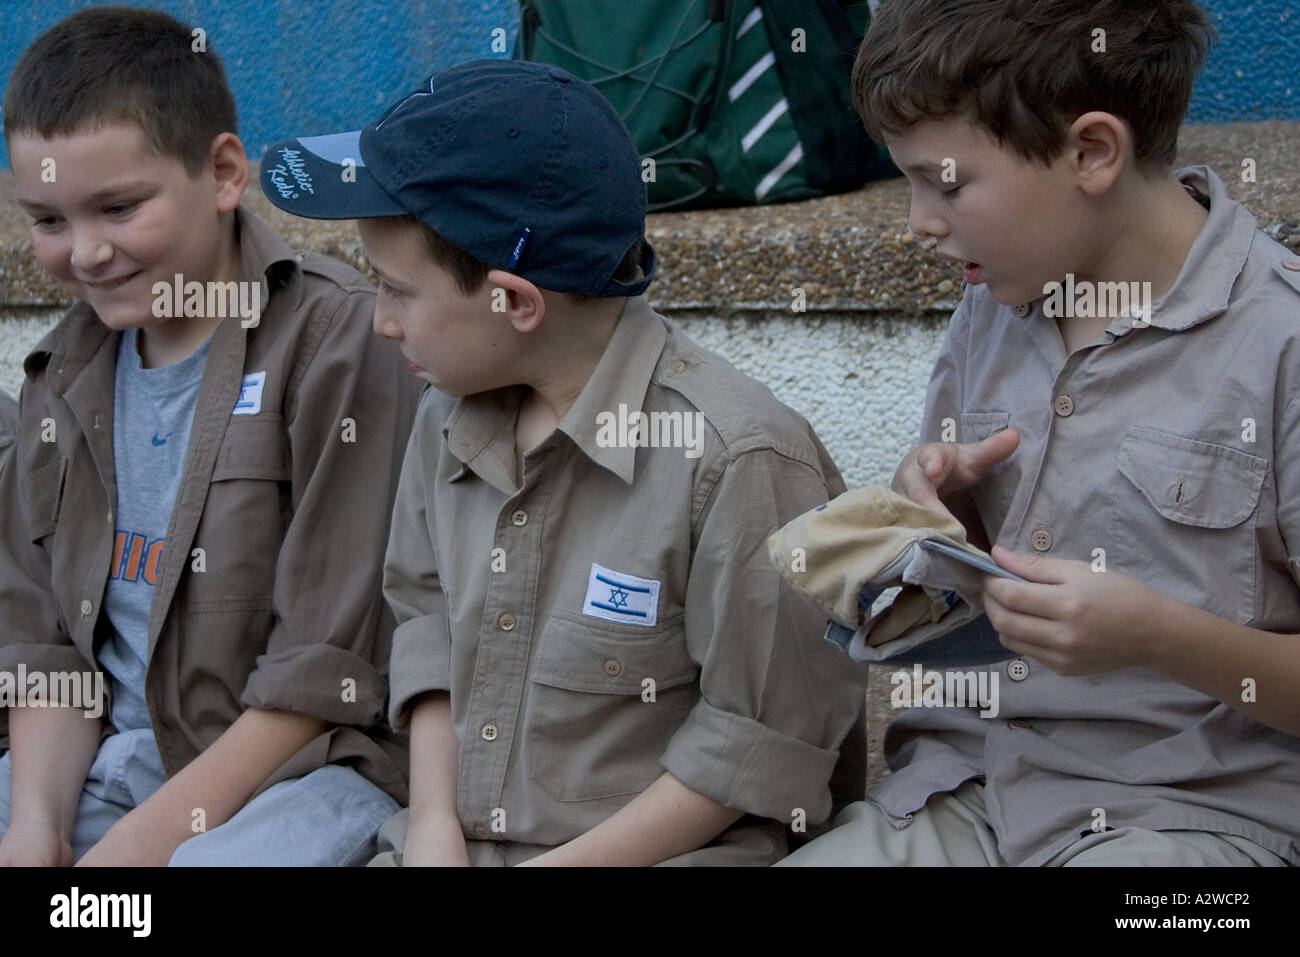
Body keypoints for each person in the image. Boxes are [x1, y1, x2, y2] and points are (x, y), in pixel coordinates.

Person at [261, 58, 869, 866]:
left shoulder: (738, 460)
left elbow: (756, 748)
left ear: (515, 301)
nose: (381, 323)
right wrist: (436, 828)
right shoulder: (445, 412)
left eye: (397, 290)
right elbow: (428, 625)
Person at [781, 0, 1300, 866]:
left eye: (945, 183)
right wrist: (946, 520)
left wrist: (1153, 634)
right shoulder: (993, 308)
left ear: (1092, 152)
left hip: (1192, 816)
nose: (919, 221)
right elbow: (966, 602)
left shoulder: (1278, 343)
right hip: (969, 785)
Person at [0, 7, 421, 866]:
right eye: (47, 220)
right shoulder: (61, 374)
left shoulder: (338, 347)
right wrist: (35, 828)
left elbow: (322, 677)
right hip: (97, 770)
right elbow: (47, 649)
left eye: (119, 207)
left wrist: (128, 857)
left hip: (296, 777)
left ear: (225, 172)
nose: (85, 253)